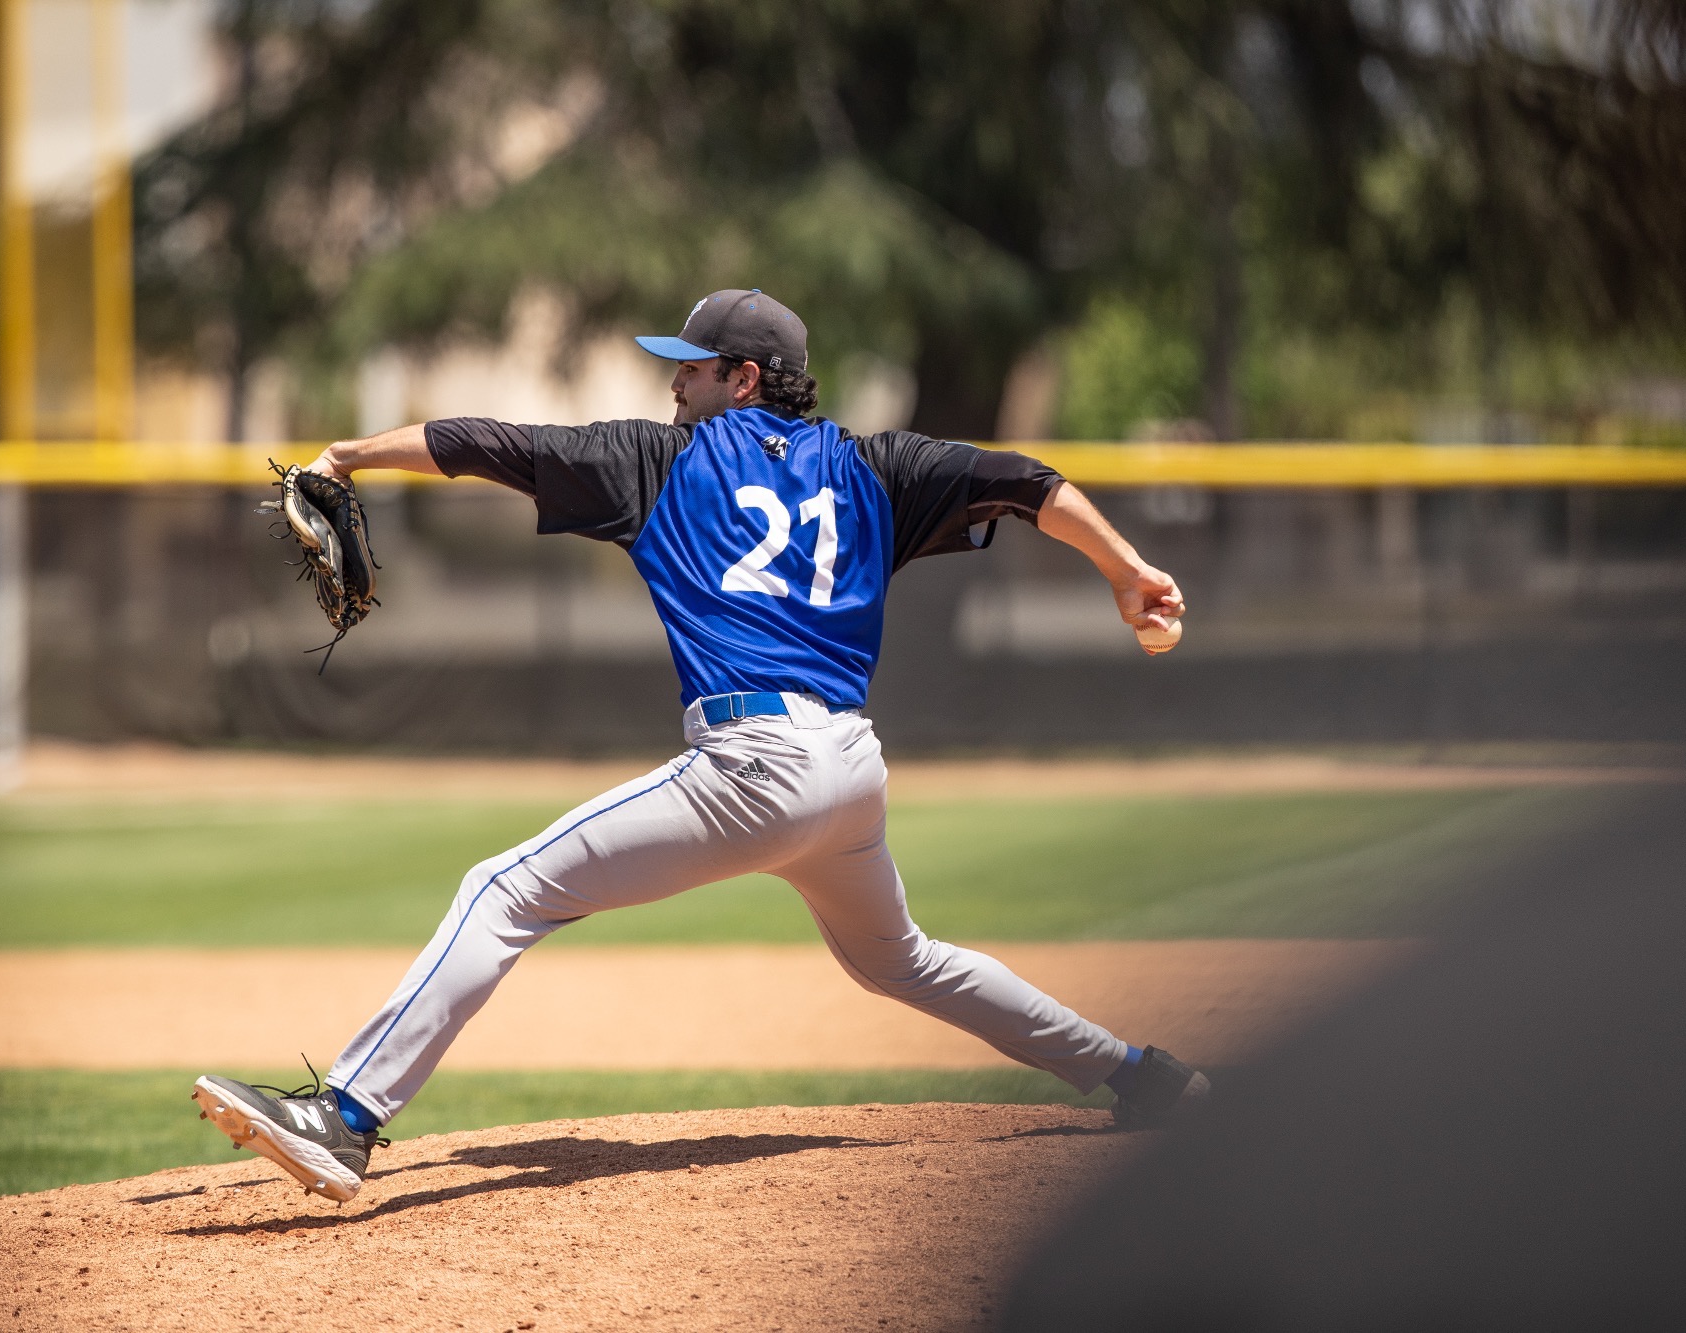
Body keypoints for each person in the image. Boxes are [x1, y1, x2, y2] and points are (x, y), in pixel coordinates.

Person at [193, 289, 1210, 1202]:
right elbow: (1026, 481)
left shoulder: (656, 460)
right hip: (848, 768)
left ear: (743, 377)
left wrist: (351, 457)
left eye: (690, 364)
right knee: (900, 958)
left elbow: (487, 442)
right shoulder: (878, 466)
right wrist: (1127, 573)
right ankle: (1137, 1073)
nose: (673, 381)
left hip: (751, 763)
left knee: (503, 889)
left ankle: (346, 1119)